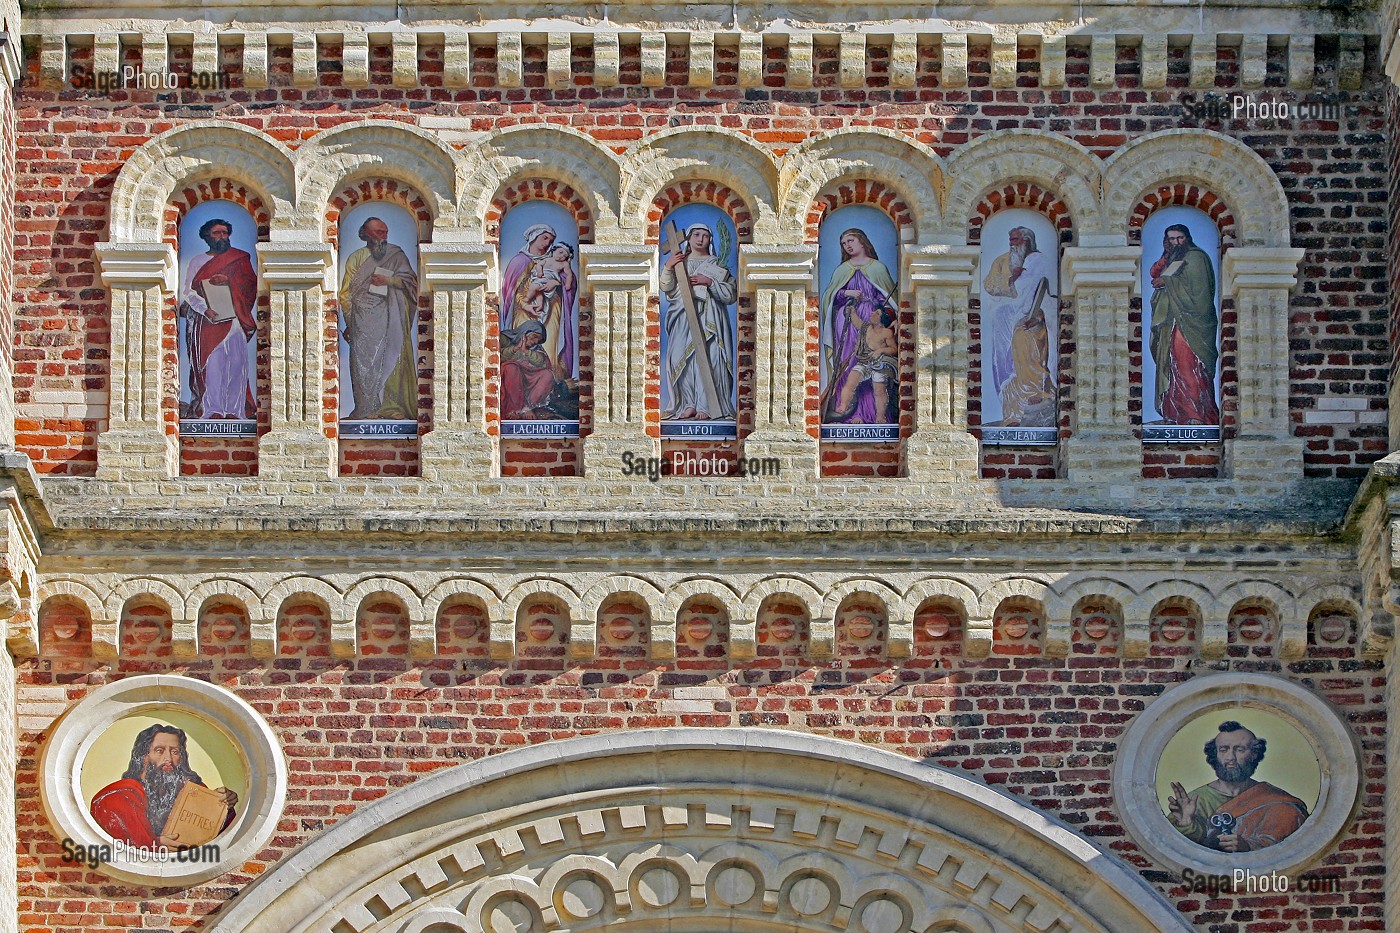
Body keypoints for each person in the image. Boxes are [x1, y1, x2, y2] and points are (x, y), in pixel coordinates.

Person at [1166, 720, 1309, 852]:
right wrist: (1186, 823)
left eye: (1239, 750)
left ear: (1254, 754)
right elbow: (1177, 849)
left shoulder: (1278, 801)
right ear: (1214, 754)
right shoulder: (1195, 801)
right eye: (1223, 750)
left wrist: (1248, 846)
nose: (1230, 757)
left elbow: (1292, 847)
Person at [89, 724, 238, 850]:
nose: (168, 759)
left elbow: (220, 840)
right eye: (159, 750)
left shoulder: (192, 791)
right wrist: (156, 846)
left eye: (174, 752)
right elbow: (125, 849)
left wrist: (223, 806)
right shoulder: (120, 797)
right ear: (143, 756)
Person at [339, 217, 420, 421]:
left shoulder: (396, 254)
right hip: (363, 319)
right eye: (378, 232)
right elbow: (346, 293)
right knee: (363, 364)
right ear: (365, 234)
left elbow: (412, 283)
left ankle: (392, 407)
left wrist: (389, 280)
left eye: (385, 232)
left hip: (391, 315)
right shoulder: (356, 258)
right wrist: (351, 322)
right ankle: (366, 408)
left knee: (392, 358)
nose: (383, 236)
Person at [178, 218, 258, 420]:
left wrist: (230, 281)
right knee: (214, 363)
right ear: (207, 236)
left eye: (225, 233)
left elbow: (251, 286)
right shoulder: (198, 261)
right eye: (217, 233)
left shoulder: (239, 258)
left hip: (234, 319)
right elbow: (189, 292)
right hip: (209, 322)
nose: (222, 237)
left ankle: (234, 410)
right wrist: (205, 310)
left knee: (237, 363)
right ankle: (212, 409)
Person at [821, 228, 899, 425]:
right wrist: (846, 293)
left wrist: (893, 317)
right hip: (847, 322)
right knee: (849, 364)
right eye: (843, 243)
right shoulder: (842, 270)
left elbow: (886, 298)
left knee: (874, 365)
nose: (847, 245)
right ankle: (846, 412)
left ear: (862, 242)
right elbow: (830, 297)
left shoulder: (878, 268)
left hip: (873, 321)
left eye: (851, 240)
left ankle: (872, 415)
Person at [660, 223, 738, 420]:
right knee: (682, 358)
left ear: (710, 239)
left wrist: (710, 282)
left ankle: (707, 406)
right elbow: (667, 288)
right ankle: (687, 404)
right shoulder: (680, 261)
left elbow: (731, 294)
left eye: (705, 235)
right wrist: (669, 266)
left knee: (711, 358)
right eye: (696, 234)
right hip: (683, 316)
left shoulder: (717, 264)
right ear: (688, 237)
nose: (700, 239)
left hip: (710, 318)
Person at [981, 226, 1056, 427]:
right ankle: (1013, 412)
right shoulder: (1002, 261)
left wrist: (1037, 312)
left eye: (1016, 240)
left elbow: (1046, 289)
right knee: (1006, 361)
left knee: (1028, 346)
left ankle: (1036, 391)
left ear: (1028, 241)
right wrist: (1010, 279)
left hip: (1032, 316)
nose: (1012, 244)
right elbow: (989, 285)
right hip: (1005, 319)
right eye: (1011, 240)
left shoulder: (1040, 260)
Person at [1148, 223, 1220, 425]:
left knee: (1188, 363)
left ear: (1187, 237)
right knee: (1172, 364)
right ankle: (1175, 413)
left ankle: (1196, 415)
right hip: (1172, 321)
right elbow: (1155, 273)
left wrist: (1168, 283)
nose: (1176, 242)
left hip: (1192, 323)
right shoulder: (1173, 260)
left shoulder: (1196, 258)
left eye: (1179, 238)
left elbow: (1200, 294)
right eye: (1171, 239)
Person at [501, 224, 577, 377]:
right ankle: (519, 378)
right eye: (545, 238)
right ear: (534, 237)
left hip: (552, 309)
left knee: (549, 344)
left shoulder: (555, 261)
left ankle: (552, 379)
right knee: (524, 341)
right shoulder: (519, 261)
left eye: (551, 240)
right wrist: (525, 304)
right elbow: (509, 292)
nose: (548, 243)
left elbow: (569, 283)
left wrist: (556, 283)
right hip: (524, 310)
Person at [500, 320, 566, 419]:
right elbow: (496, 355)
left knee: (547, 375)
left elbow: (542, 362)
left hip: (529, 375)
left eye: (538, 339)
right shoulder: (505, 338)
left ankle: (529, 408)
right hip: (510, 375)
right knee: (512, 368)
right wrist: (515, 348)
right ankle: (516, 409)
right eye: (535, 336)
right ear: (525, 332)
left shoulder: (536, 347)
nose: (536, 341)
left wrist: (526, 351)